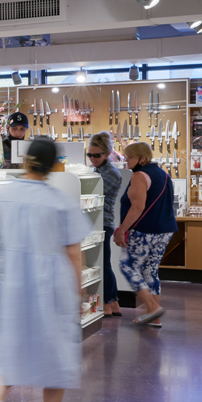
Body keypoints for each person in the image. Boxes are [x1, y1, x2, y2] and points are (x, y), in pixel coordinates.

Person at [0, 136, 90, 402]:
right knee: (56, 354)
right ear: (55, 165)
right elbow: (73, 253)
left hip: (12, 281)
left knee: (9, 350)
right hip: (52, 284)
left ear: (25, 160)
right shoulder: (60, 201)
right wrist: (78, 293)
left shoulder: (0, 195)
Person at [115, 140, 175, 326]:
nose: (127, 162)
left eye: (129, 158)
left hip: (144, 231)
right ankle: (154, 316)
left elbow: (138, 207)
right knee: (150, 270)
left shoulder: (139, 175)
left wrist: (122, 229)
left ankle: (152, 307)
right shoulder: (164, 175)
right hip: (165, 230)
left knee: (128, 266)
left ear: (142, 157)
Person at [87, 132, 123, 317]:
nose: (92, 159)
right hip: (98, 222)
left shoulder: (111, 174)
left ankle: (108, 304)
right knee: (104, 262)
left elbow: (96, 195)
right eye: (90, 155)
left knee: (103, 264)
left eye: (96, 155)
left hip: (104, 223)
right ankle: (114, 303)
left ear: (108, 153)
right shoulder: (98, 170)